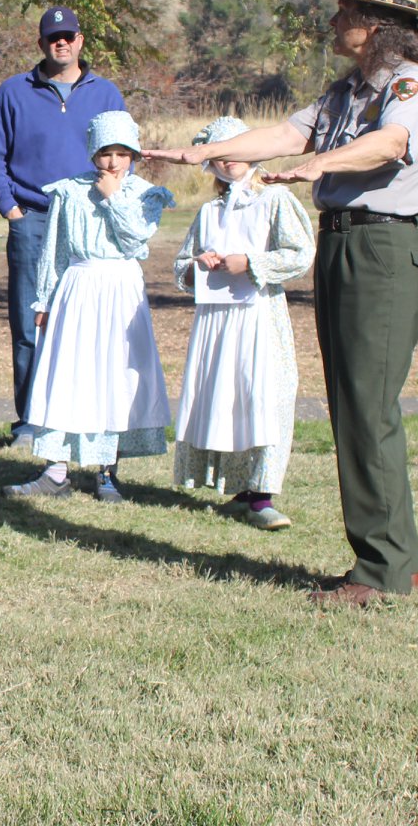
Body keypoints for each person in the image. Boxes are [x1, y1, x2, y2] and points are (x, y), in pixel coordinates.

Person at [144, 0, 418, 606]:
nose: (335, 21)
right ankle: (390, 564)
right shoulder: (346, 91)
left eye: (346, 11)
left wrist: (319, 166)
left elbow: (391, 145)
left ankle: (384, 572)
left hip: (383, 249)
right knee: (351, 412)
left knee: (369, 410)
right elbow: (285, 131)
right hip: (344, 244)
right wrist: (202, 154)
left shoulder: (409, 86)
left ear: (376, 21)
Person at [3, 111, 173, 501]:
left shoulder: (144, 194)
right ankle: (55, 472)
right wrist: (44, 299)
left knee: (112, 377)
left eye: (121, 154)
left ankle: (107, 471)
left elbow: (134, 240)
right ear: (93, 153)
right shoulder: (70, 191)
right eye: (105, 153)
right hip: (78, 288)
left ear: (133, 154)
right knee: (69, 373)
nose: (112, 162)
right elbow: (55, 251)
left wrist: (112, 198)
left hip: (119, 290)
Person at [0, 7, 127, 435]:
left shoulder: (106, 94)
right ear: (41, 44)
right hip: (34, 220)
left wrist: (110, 207)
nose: (61, 43)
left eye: (68, 36)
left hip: (87, 223)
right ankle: (32, 422)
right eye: (52, 37)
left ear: (80, 41)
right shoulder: (13, 92)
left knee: (86, 323)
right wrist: (13, 212)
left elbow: (122, 156)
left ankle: (83, 422)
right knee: (29, 325)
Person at [170, 116, 316, 530]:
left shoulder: (273, 200)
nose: (229, 161)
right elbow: (181, 265)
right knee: (226, 394)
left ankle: (262, 492)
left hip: (259, 314)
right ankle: (238, 487)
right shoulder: (209, 211)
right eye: (220, 154)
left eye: (236, 151)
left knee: (264, 393)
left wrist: (251, 263)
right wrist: (198, 264)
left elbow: (300, 253)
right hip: (218, 317)